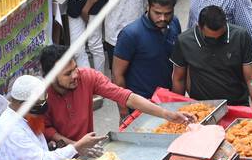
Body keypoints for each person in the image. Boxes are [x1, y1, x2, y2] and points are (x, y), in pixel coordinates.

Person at [39, 45, 179, 143]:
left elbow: (126, 97)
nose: (76, 75)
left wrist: (166, 114)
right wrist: (75, 146)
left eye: (75, 68)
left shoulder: (87, 77)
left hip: (88, 147)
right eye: (68, 73)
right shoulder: (40, 95)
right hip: (57, 155)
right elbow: (46, 129)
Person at [170, 6, 252, 106]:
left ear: (226, 23)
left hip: (237, 104)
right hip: (202, 107)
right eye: (209, 38)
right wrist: (176, 109)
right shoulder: (184, 41)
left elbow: (251, 78)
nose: (215, 41)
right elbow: (179, 78)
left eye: (220, 37)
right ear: (199, 26)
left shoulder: (240, 36)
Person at [112, 0, 180, 100]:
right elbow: (117, 75)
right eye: (157, 13)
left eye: (167, 13)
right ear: (148, 7)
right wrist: (124, 110)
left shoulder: (174, 23)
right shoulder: (130, 34)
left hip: (166, 100)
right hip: (139, 104)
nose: (163, 18)